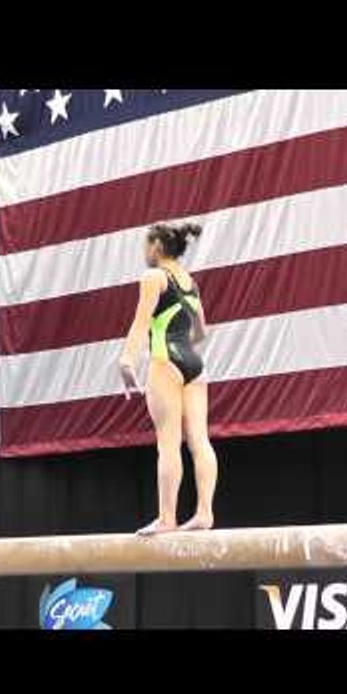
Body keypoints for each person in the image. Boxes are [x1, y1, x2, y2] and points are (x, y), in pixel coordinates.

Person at [118, 222, 218, 535]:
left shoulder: (153, 277)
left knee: (169, 443)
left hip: (166, 362)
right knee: (200, 441)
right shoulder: (190, 283)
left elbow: (140, 323)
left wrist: (127, 359)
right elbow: (201, 331)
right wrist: (182, 343)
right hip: (195, 365)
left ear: (158, 247)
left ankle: (167, 518)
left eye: (146, 245)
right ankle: (204, 512)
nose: (144, 252)